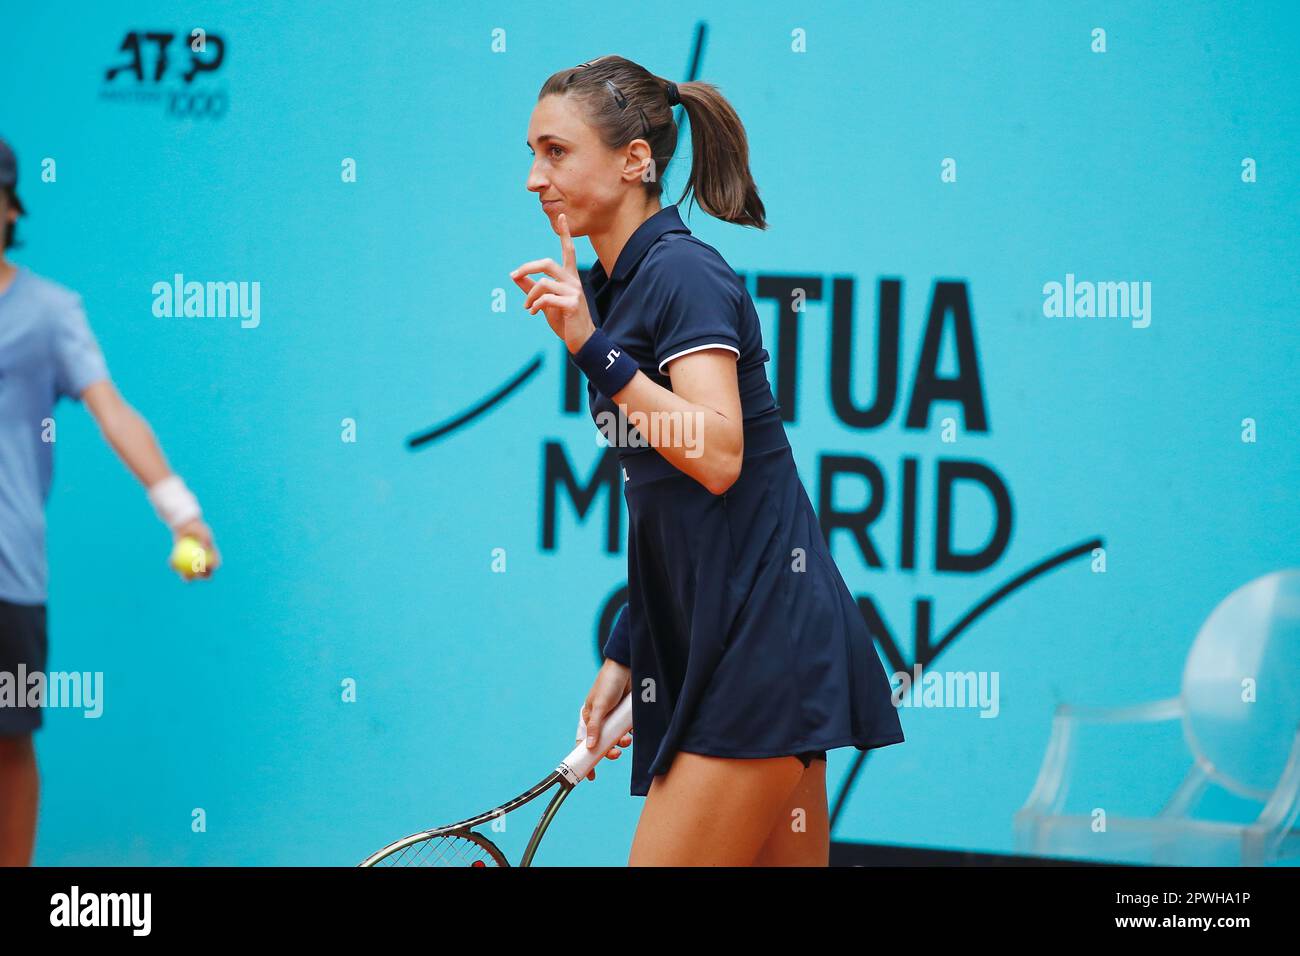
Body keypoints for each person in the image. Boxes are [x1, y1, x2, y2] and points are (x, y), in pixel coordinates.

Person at [512, 57, 904, 866]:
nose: (533, 177)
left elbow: (718, 454)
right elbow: (669, 501)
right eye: (532, 153)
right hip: (738, 643)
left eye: (555, 151)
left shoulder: (682, 274)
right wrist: (630, 646)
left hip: (763, 648)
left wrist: (592, 349)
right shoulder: (611, 288)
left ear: (634, 161)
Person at [0, 137, 220, 866]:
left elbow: (114, 413)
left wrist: (181, 511)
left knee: (8, 745)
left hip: (9, 577)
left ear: (9, 208)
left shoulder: (48, 312)